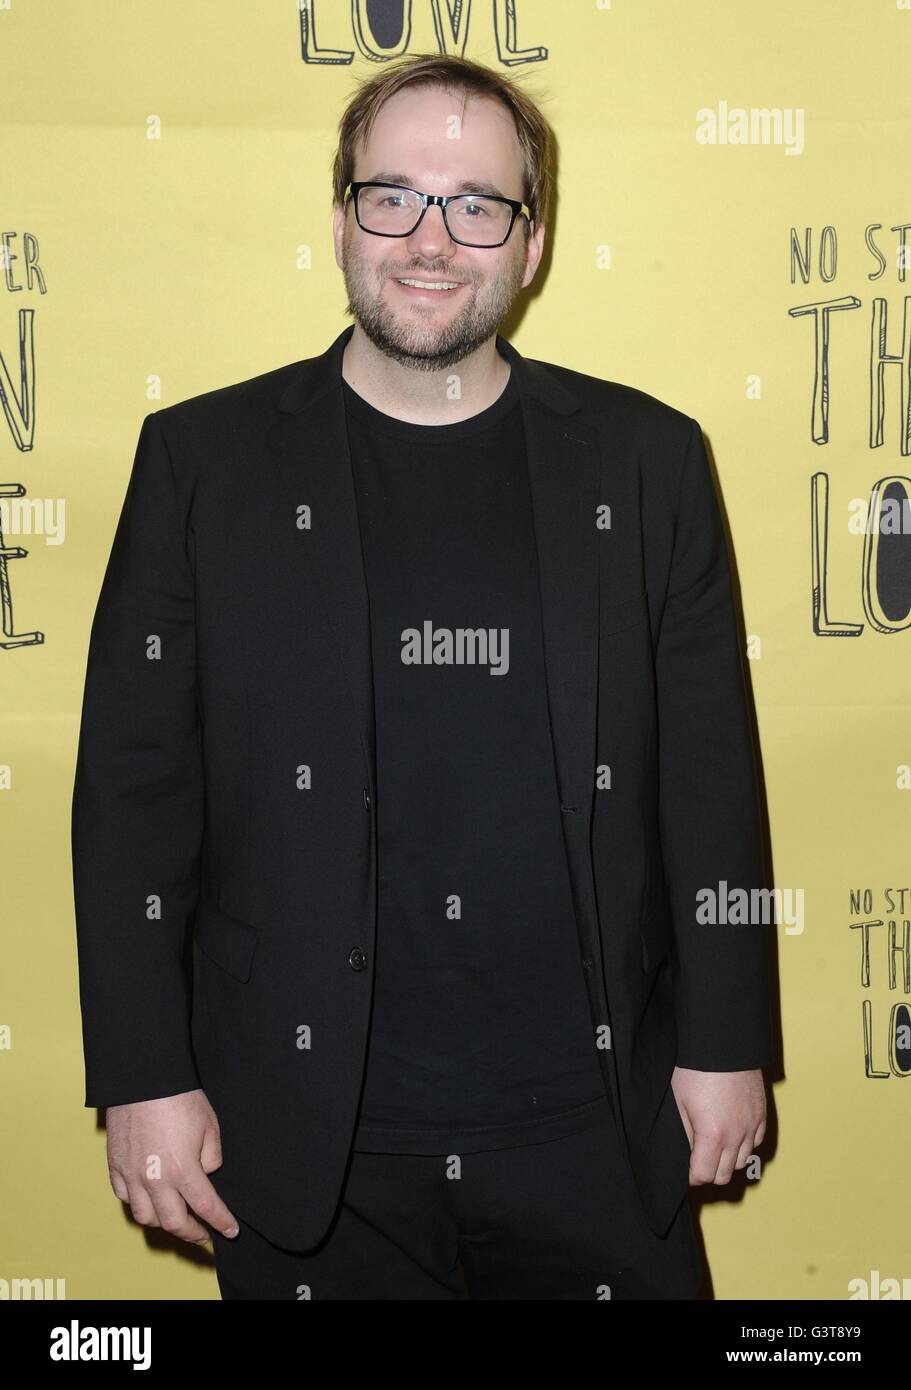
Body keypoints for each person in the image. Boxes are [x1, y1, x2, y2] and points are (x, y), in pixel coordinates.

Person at [72, 52, 773, 1300]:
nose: (430, 240)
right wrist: (141, 1072)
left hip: (597, 1133)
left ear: (531, 240)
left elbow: (711, 783)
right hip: (299, 1144)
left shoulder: (648, 462)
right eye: (392, 196)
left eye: (475, 204)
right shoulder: (201, 464)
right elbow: (133, 799)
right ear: (338, 217)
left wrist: (725, 1042)